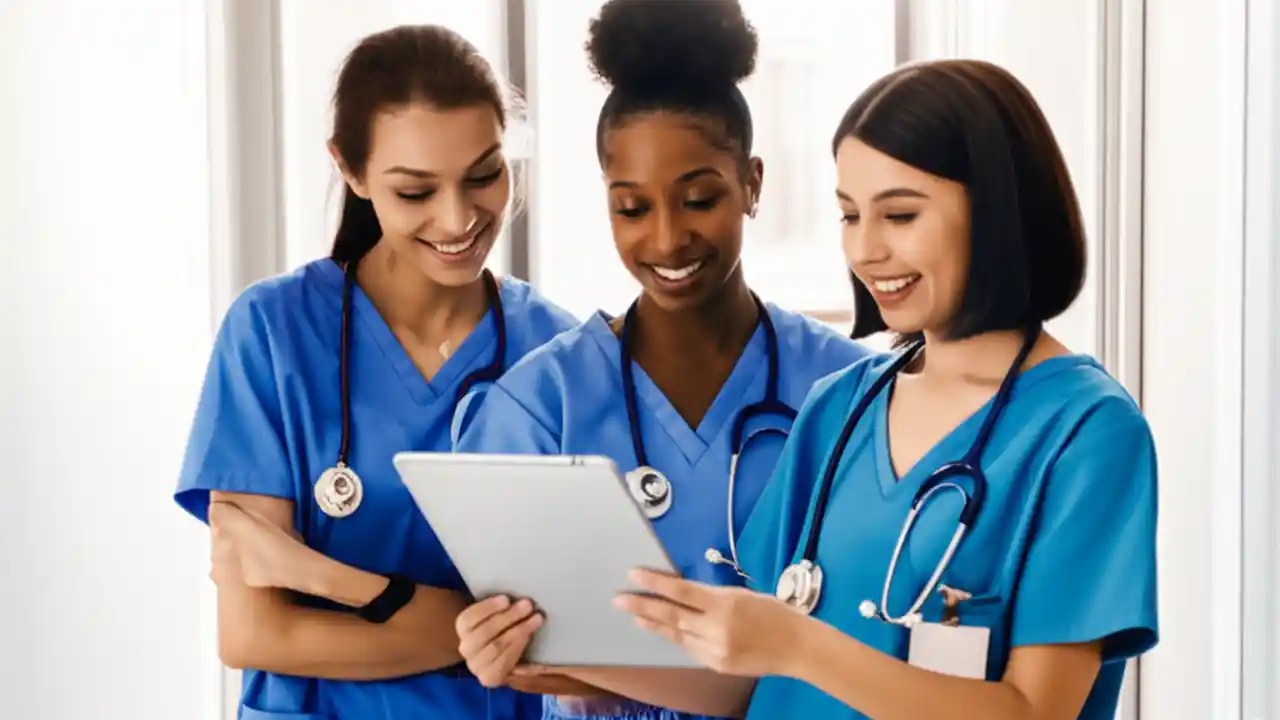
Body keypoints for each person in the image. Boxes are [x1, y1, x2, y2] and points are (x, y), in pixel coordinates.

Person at [587, 59, 1160, 719]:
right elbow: (749, 679)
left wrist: (799, 646)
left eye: (900, 215)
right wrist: (552, 656)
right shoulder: (839, 408)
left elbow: (1034, 710)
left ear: (999, 213)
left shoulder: (1084, 432)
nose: (864, 250)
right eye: (849, 216)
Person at [450, 2, 871, 719]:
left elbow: (861, 646)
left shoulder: (846, 392)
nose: (668, 239)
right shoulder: (537, 406)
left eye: (699, 198)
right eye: (631, 208)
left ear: (754, 184)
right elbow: (531, 642)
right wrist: (496, 645)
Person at [174, 25, 576, 720]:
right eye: (415, 191)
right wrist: (472, 631)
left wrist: (317, 575)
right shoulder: (272, 333)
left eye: (484, 176)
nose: (459, 218)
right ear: (352, 171)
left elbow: (559, 642)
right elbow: (255, 633)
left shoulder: (561, 355)